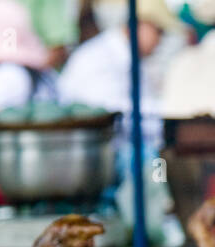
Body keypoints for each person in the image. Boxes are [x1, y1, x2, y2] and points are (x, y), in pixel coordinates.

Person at [57, 0, 185, 154]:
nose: (160, 40)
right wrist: (172, 108)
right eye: (158, 31)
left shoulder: (131, 59)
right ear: (139, 25)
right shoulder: (100, 58)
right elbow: (112, 113)